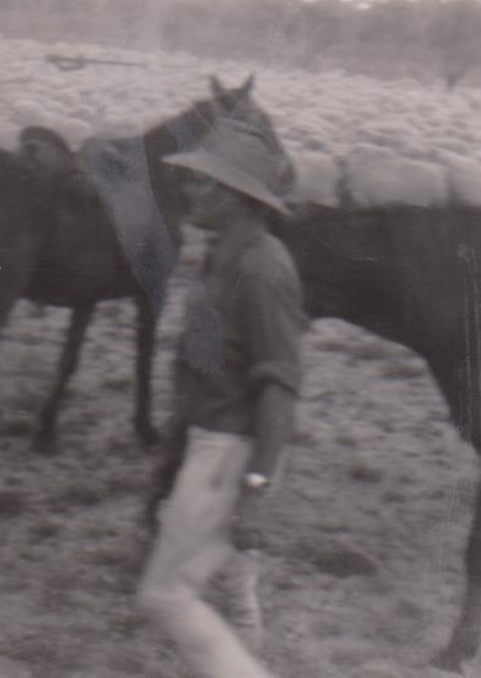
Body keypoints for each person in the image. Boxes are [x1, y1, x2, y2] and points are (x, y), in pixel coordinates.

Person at [137, 118, 304, 678]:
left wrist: (255, 489)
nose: (189, 190)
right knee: (229, 596)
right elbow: (203, 365)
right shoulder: (218, 259)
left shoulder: (262, 269)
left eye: (204, 183)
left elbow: (280, 385)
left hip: (231, 453)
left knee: (166, 596)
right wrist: (172, 451)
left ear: (236, 198)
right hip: (208, 443)